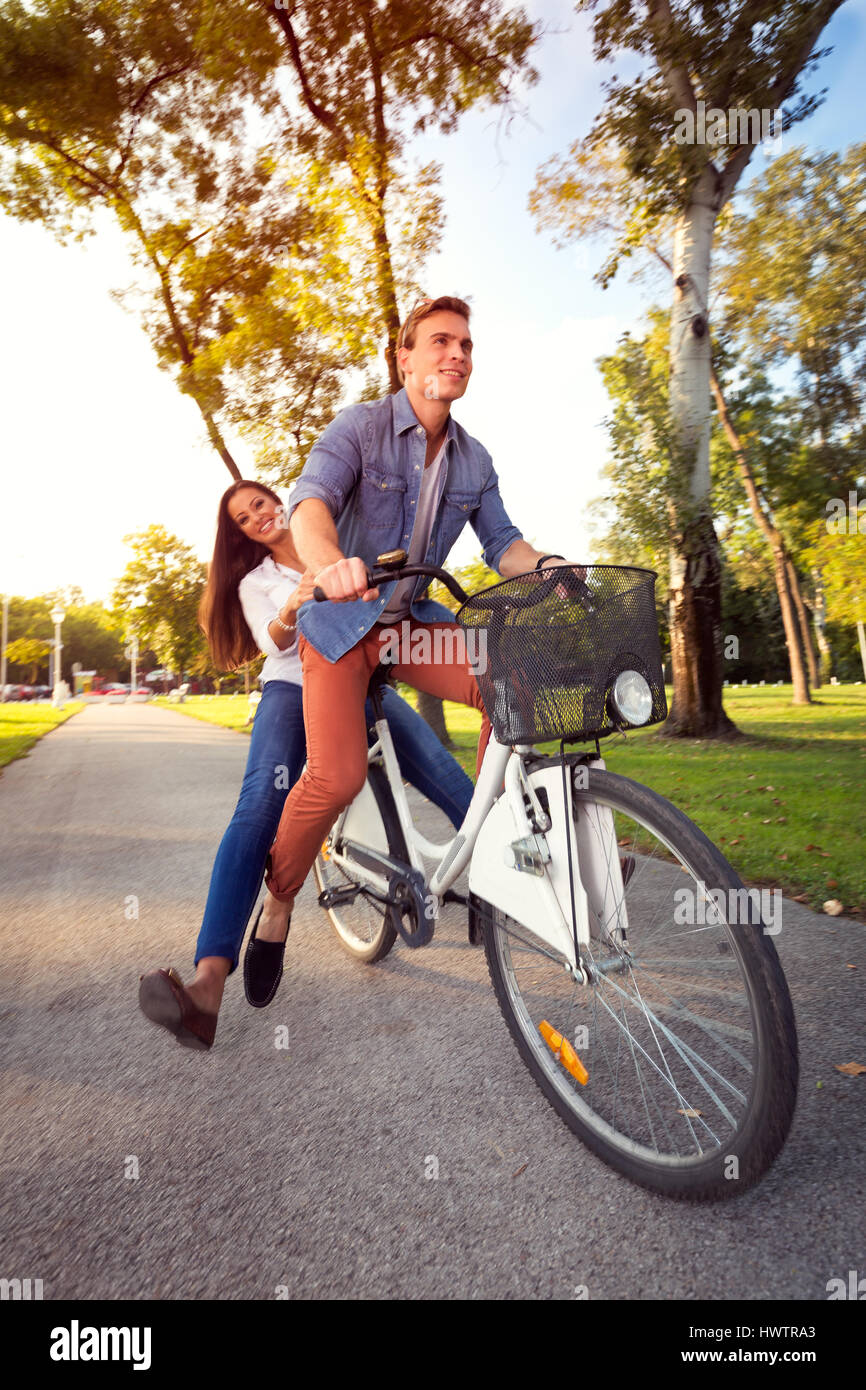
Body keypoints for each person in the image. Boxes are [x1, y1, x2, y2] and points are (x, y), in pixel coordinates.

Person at [259, 295, 570, 975]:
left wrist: (552, 565)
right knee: (336, 775)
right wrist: (327, 563)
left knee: (509, 684)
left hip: (408, 629)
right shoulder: (359, 429)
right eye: (440, 342)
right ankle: (278, 898)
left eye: (465, 345)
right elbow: (308, 503)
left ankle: (496, 854)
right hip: (341, 627)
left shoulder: (474, 460)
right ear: (405, 358)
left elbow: (504, 545)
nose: (456, 354)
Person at [138, 478, 474, 1050]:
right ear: (243, 535)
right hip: (291, 694)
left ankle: (547, 870)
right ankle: (209, 981)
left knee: (442, 770)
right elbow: (274, 644)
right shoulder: (257, 582)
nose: (259, 517)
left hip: (362, 681)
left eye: (262, 503)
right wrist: (294, 603)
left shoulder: (334, 539)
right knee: (260, 807)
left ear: (281, 501)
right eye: (245, 519)